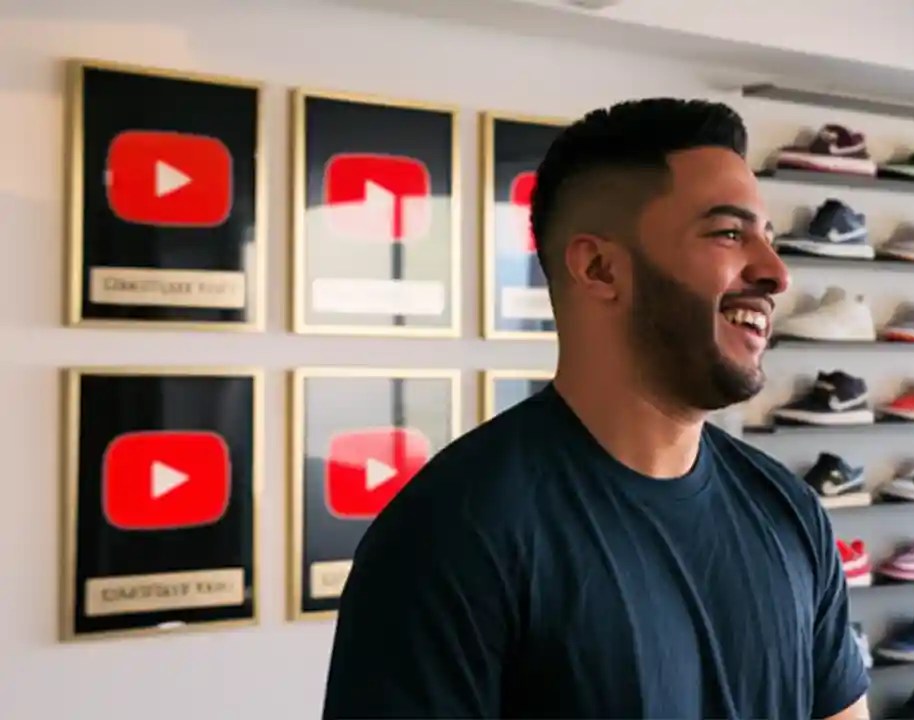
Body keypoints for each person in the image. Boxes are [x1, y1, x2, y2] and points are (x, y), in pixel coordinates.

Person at [321, 98, 871, 719]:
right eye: (728, 233)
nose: (776, 274)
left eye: (767, 239)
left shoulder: (790, 513)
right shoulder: (450, 535)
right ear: (600, 268)